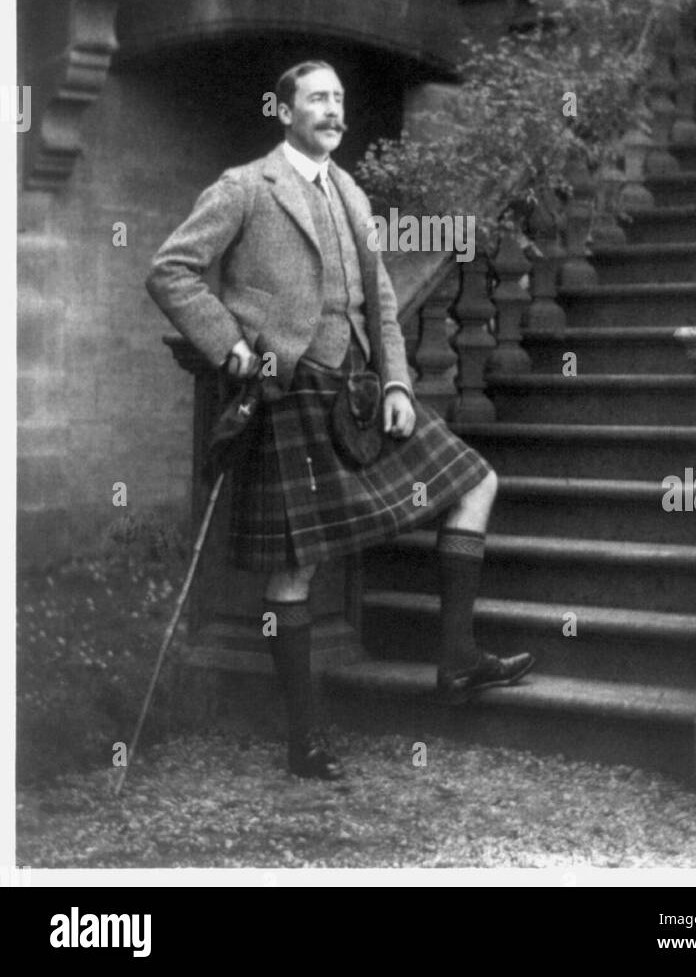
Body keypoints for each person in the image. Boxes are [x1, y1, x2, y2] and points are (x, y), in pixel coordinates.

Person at [146, 60, 534, 779]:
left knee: (476, 481)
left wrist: (396, 381)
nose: (334, 111)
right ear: (283, 110)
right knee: (298, 568)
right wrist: (231, 347)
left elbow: (382, 299)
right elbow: (170, 269)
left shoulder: (349, 188)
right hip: (291, 392)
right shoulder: (244, 188)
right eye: (318, 99)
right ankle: (305, 739)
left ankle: (456, 661)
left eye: (340, 101)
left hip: (359, 393)